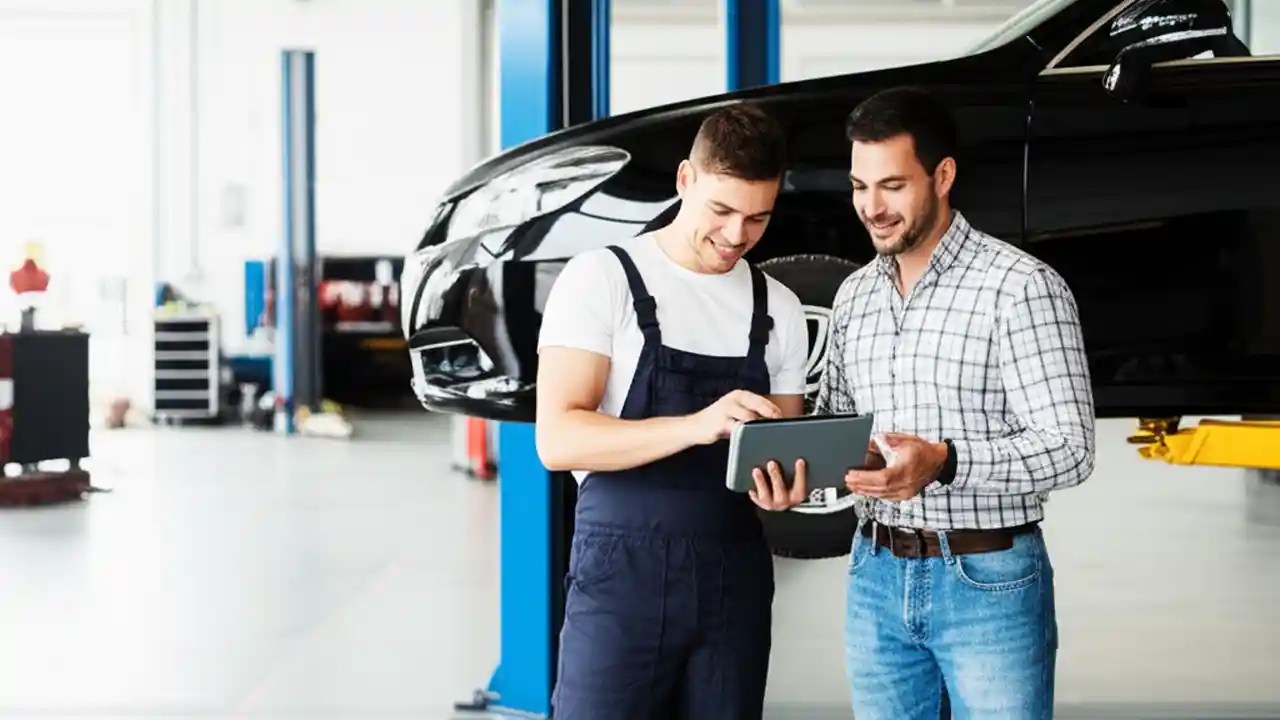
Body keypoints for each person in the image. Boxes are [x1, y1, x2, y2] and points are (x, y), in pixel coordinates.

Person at [816, 86, 1097, 719]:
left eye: (892, 185)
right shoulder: (855, 296)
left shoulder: (1021, 288)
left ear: (943, 175)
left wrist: (943, 461)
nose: (871, 207)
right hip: (875, 574)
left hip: (987, 580)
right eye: (860, 187)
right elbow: (839, 428)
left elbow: (1071, 449)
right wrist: (796, 476)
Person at [534, 103, 811, 720]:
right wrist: (696, 425)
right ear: (686, 180)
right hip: (621, 570)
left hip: (732, 576)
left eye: (757, 218)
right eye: (721, 211)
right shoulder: (602, 279)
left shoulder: (780, 306)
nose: (737, 236)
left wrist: (787, 485)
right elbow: (558, 438)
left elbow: (785, 447)